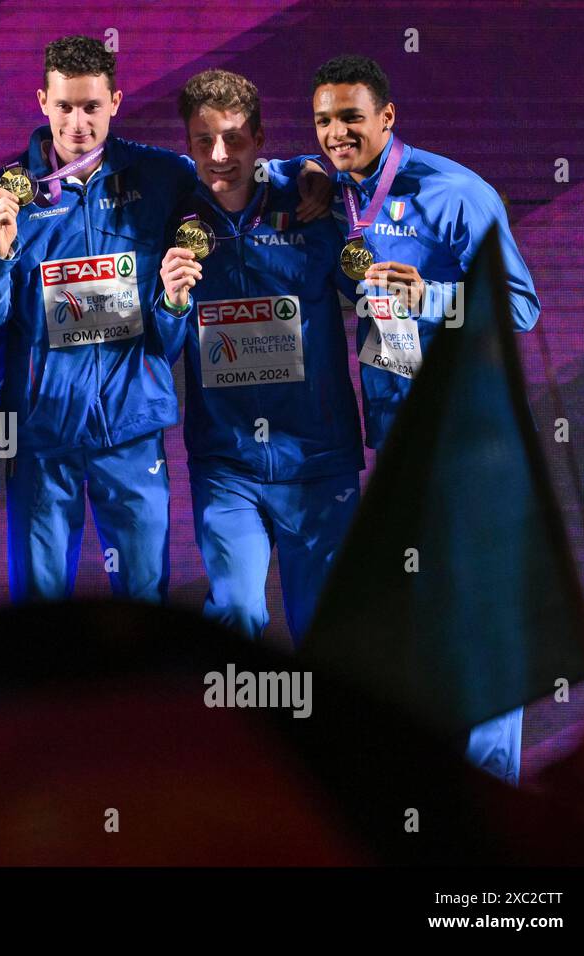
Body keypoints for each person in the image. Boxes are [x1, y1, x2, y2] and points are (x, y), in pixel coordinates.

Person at [0, 34, 331, 605]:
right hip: (41, 432)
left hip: (132, 428)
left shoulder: (162, 177)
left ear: (116, 101)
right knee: (37, 610)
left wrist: (306, 170)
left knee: (143, 602)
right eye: (64, 106)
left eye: (91, 106)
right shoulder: (10, 195)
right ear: (42, 101)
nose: (77, 122)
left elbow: (230, 165)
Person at [311, 54, 540, 785]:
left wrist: (436, 296)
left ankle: (494, 794)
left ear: (387, 117)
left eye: (351, 117)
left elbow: (523, 308)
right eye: (322, 120)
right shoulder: (336, 191)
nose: (336, 132)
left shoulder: (455, 194)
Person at [157, 69, 365, 646]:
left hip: (319, 461)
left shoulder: (312, 203)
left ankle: (321, 736)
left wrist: (316, 171)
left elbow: (365, 289)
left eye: (234, 139)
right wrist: (172, 301)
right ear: (188, 144)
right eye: (203, 141)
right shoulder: (170, 219)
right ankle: (235, 735)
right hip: (228, 465)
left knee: (327, 631)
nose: (219, 155)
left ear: (260, 138)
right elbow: (161, 351)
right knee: (237, 617)